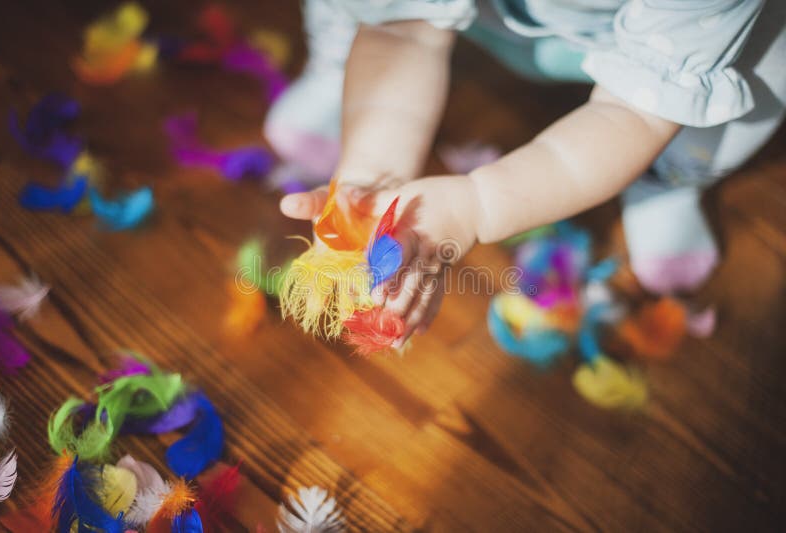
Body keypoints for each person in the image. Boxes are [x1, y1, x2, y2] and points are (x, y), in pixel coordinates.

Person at [266, 0, 786, 347]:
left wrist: (479, 204)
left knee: (758, 81)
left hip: (665, 65)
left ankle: (666, 179)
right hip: (487, 19)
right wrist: (372, 174)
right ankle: (336, 70)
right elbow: (401, 34)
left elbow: (637, 113)